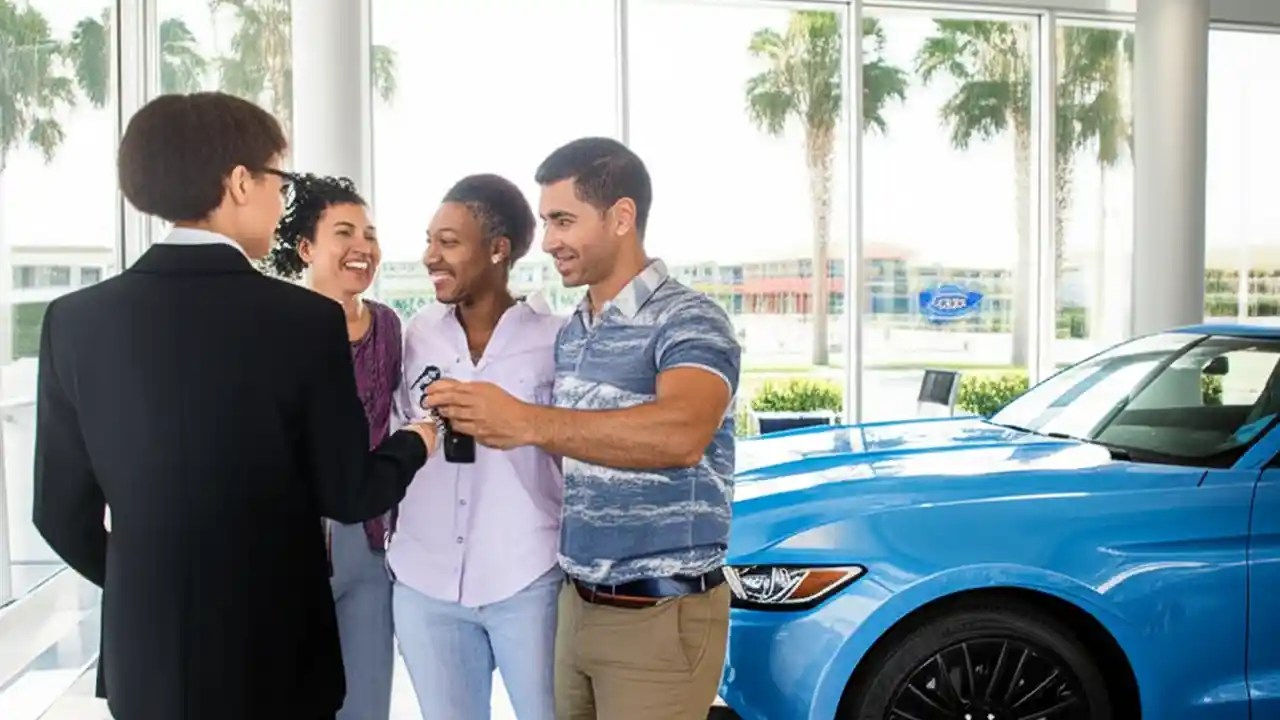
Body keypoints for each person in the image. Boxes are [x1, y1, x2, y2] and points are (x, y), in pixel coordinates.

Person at [31, 91, 436, 720]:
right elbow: (350, 492)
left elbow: (58, 513)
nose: (282, 201)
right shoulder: (305, 322)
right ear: (241, 182)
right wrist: (417, 441)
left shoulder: (73, 322)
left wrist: (147, 587)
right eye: (279, 181)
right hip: (275, 654)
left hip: (149, 662)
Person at [424, 137, 740, 719]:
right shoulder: (574, 330)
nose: (548, 241)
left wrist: (524, 421)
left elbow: (682, 434)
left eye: (564, 221)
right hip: (576, 608)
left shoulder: (690, 318)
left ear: (621, 217)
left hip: (657, 616)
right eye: (546, 222)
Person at [389, 173, 564, 720]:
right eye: (429, 241)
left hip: (526, 578)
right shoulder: (416, 335)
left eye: (448, 242)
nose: (430, 256)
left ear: (497, 249)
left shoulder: (555, 339)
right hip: (424, 580)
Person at [266, 173, 400, 720]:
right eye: (344, 232)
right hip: (289, 547)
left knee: (367, 701)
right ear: (306, 248)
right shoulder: (273, 326)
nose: (362, 246)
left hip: (367, 542)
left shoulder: (387, 326)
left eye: (370, 234)